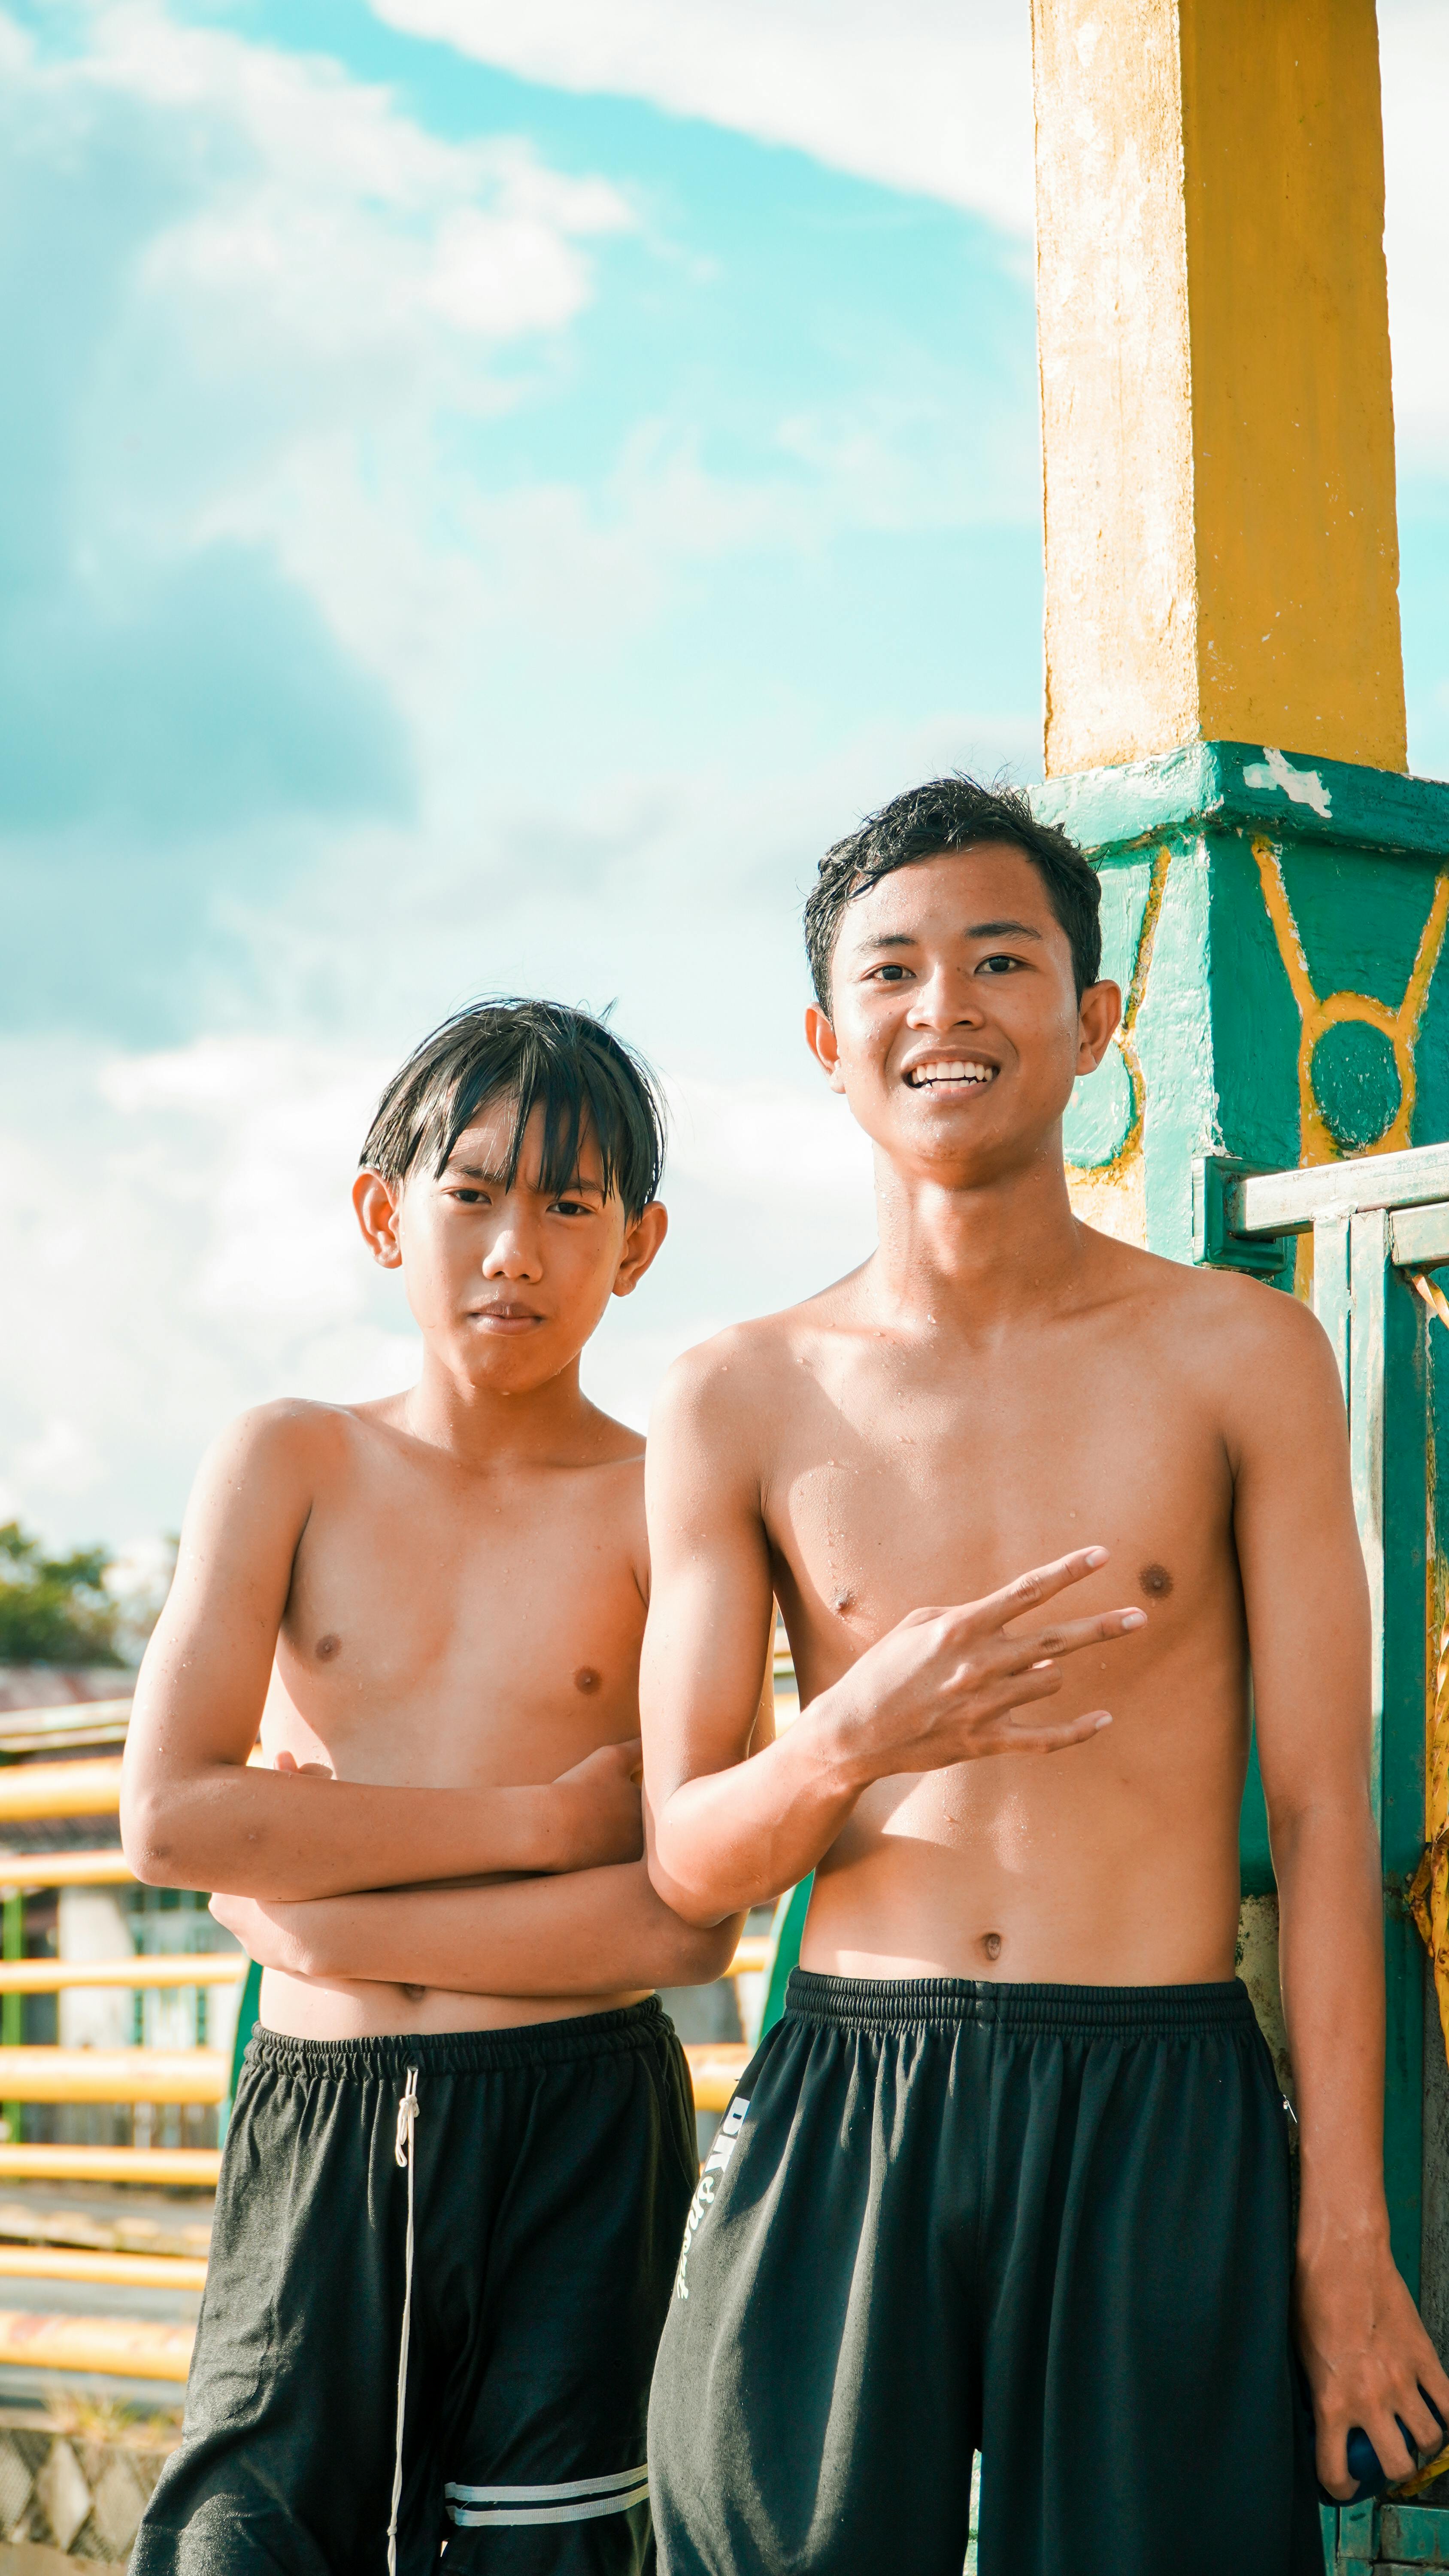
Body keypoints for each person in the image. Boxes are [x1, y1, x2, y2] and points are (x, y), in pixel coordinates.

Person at [639, 778, 1449, 2576]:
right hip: (851, 2091)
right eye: (895, 972)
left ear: (1092, 1021)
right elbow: (690, 1863)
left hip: (1159, 2091)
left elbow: (1327, 1820)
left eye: (1000, 961)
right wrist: (855, 1731)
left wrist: (1345, 2239)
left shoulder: (1239, 1356)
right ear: (824, 1039)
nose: (946, 1010)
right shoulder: (735, 1395)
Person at [123, 998, 741, 2576]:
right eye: (471, 1195)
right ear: (384, 1213)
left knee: (547, 2553)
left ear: (640, 1242)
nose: (515, 1249)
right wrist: (537, 1828)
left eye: (569, 1204)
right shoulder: (292, 1460)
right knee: (244, 2545)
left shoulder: (664, 1502)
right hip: (315, 2122)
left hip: (576, 2131)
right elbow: (174, 1818)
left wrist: (330, 1916)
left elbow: (679, 1928)